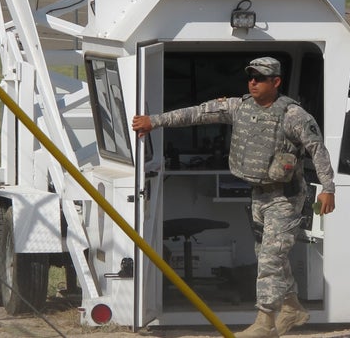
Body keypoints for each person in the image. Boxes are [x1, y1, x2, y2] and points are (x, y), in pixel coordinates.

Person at [132, 56, 335, 338]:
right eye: (250, 77)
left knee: (270, 259)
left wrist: (328, 188)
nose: (253, 82)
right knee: (269, 254)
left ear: (275, 82)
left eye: (260, 78)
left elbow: (317, 149)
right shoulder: (239, 107)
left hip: (285, 198)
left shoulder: (294, 115)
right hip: (259, 195)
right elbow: (198, 113)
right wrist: (154, 122)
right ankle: (291, 306)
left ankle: (264, 323)